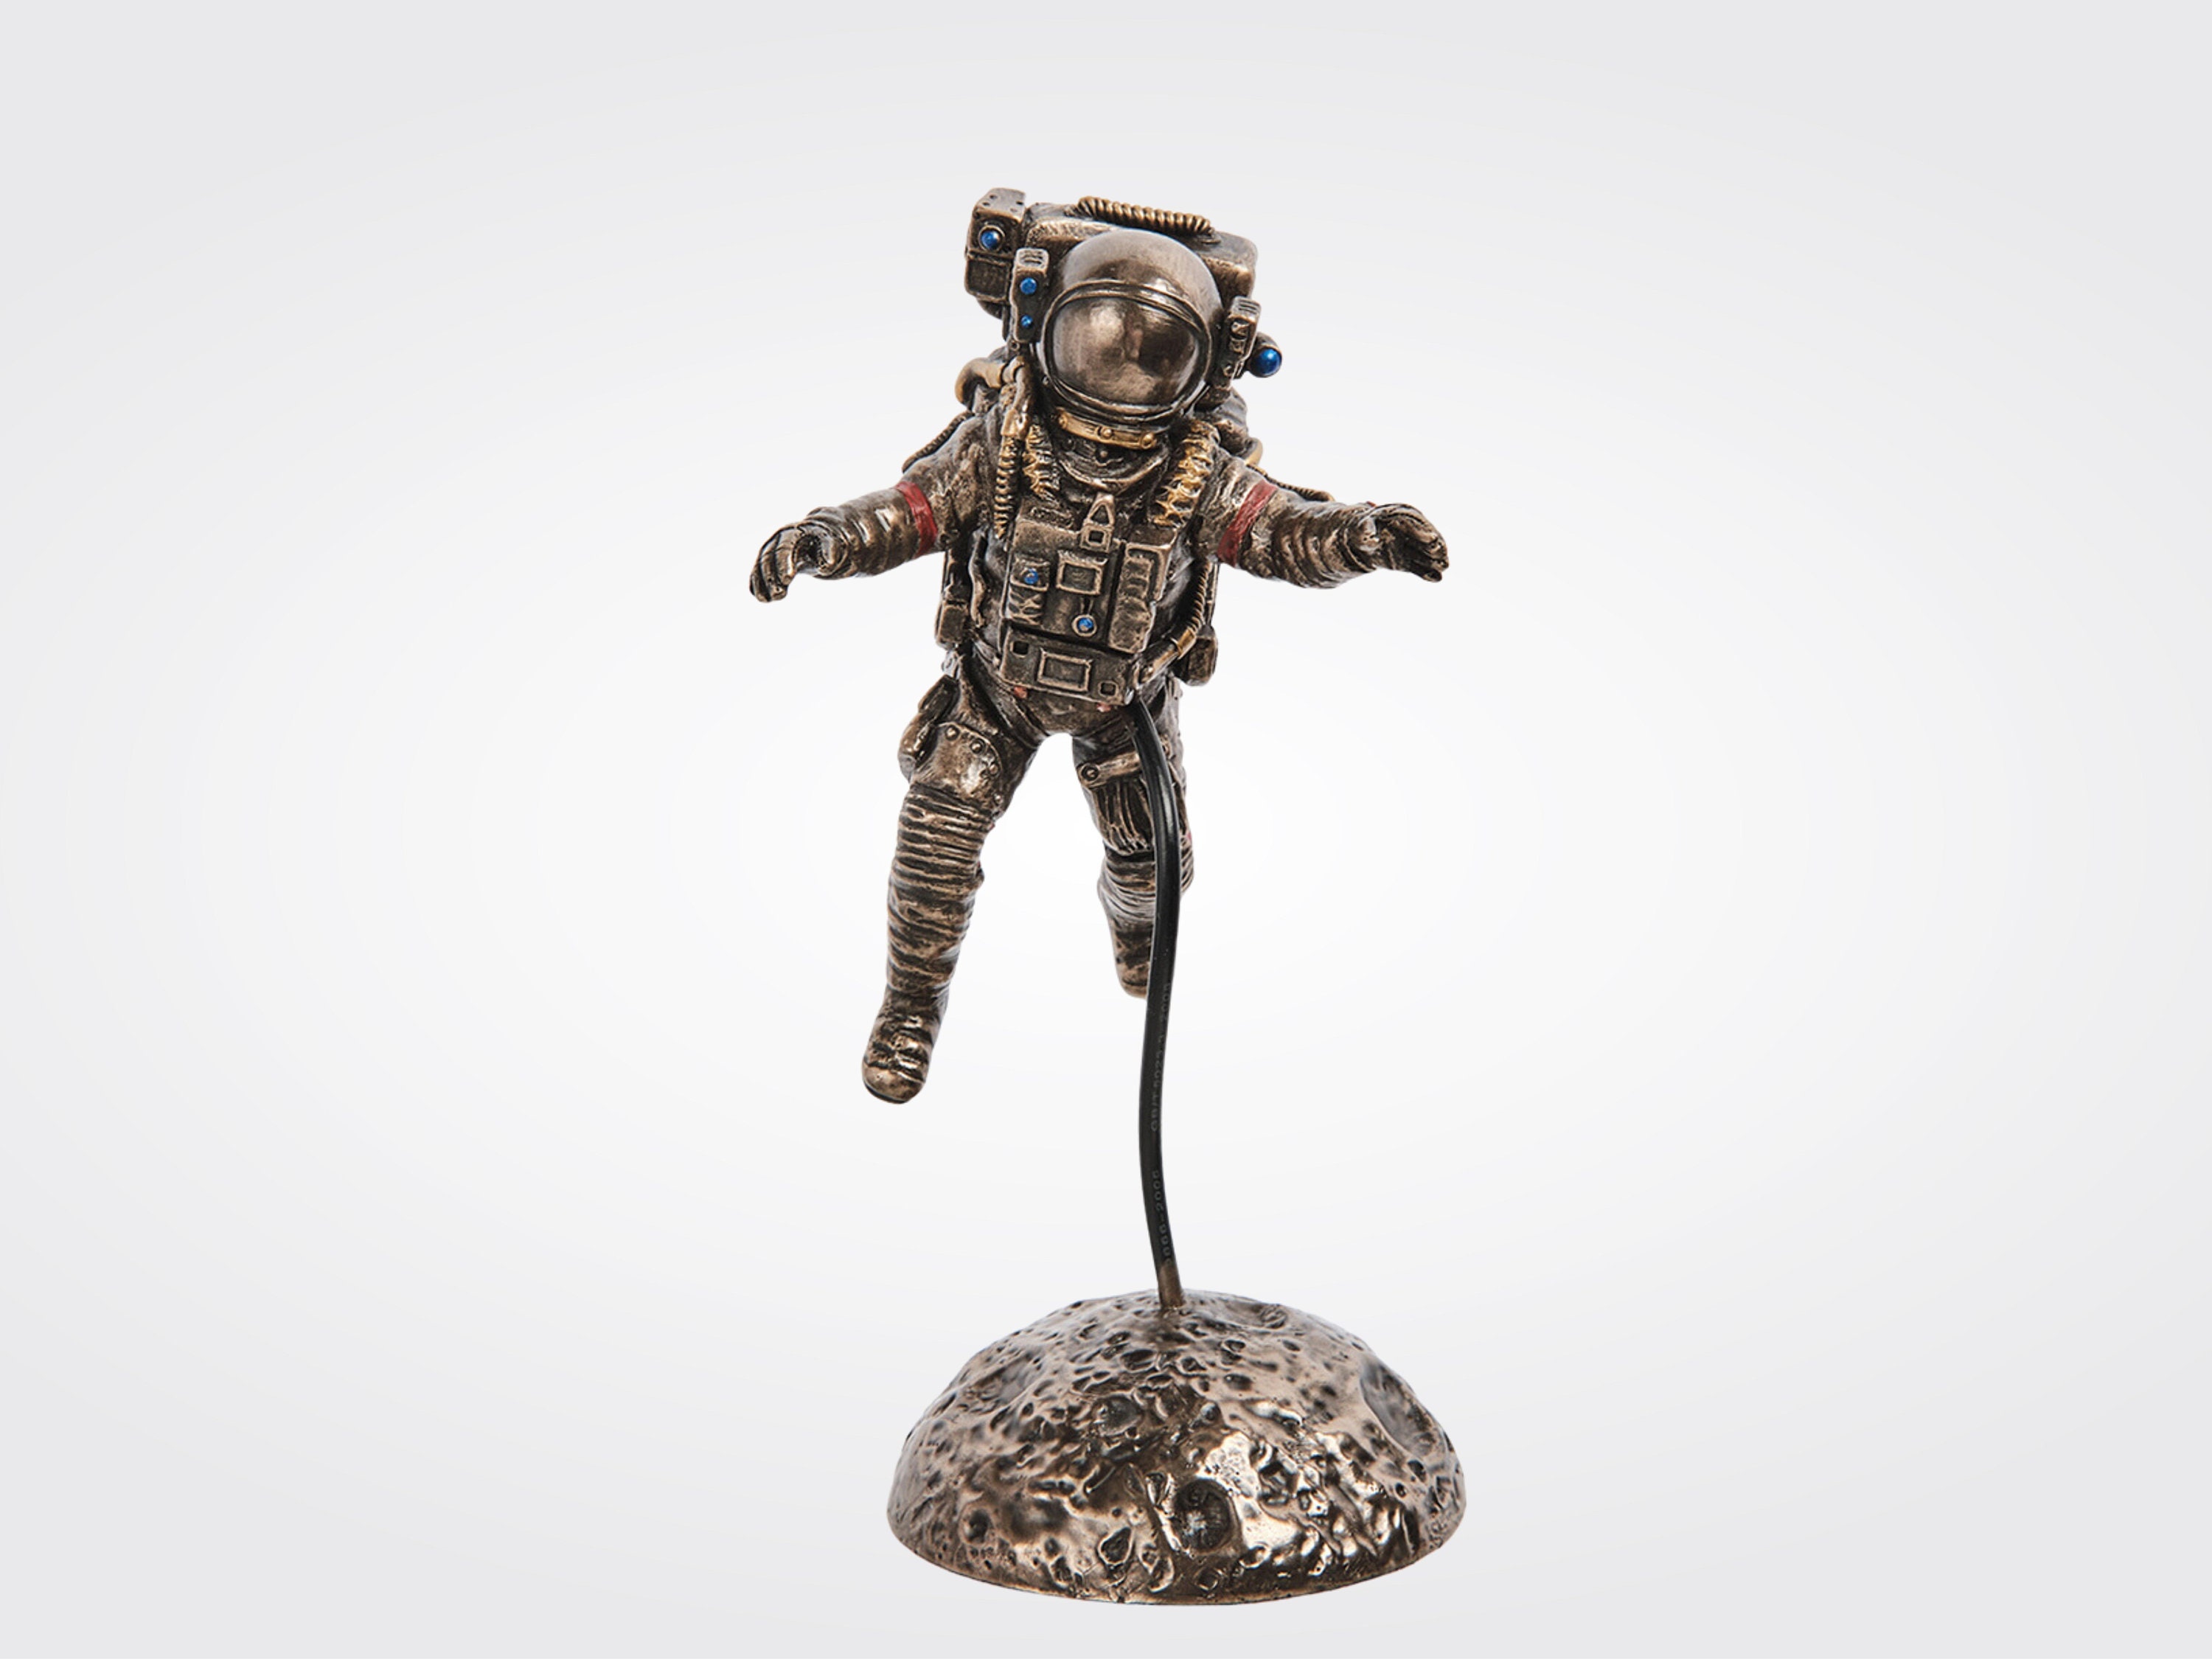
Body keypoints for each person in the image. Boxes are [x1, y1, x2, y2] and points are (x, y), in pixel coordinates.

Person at [753, 220, 1447, 1102]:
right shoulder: (998, 445)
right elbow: (908, 512)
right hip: (997, 687)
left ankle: (1140, 942)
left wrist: (1364, 537)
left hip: (1126, 702)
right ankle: (911, 1008)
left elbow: (1281, 533)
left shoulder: (1202, 475)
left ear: (1208, 360)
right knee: (937, 831)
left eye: (1156, 348)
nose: (1120, 363)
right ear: (1046, 329)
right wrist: (822, 540)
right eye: (1098, 334)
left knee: (1151, 858)